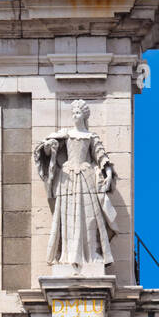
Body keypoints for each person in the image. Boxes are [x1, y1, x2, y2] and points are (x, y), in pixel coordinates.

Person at [34, 99, 117, 269]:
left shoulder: (91, 137)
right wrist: (50, 147)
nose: (75, 116)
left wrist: (108, 173)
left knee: (90, 217)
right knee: (68, 216)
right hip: (67, 177)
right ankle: (68, 253)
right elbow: (46, 149)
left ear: (85, 116)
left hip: (86, 177)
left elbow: (101, 156)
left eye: (78, 113)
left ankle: (92, 253)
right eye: (73, 113)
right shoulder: (65, 134)